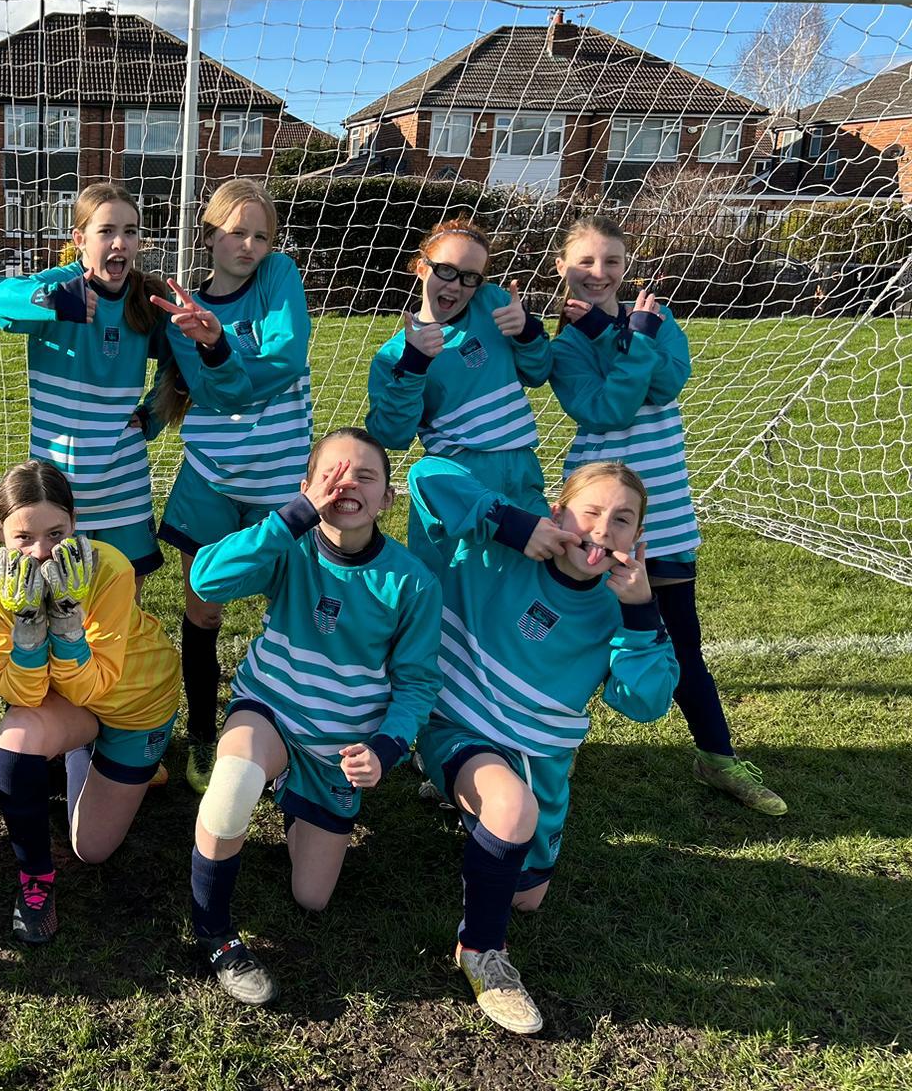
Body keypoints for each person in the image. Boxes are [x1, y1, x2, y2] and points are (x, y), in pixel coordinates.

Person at [408, 454, 679, 1034]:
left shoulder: (622, 608)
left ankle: (478, 810)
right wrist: (512, 523)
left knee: (527, 896)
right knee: (511, 810)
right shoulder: (497, 547)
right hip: (454, 725)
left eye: (624, 520)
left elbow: (646, 703)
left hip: (540, 758)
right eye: (591, 512)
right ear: (558, 513)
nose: (604, 529)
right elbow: (426, 475)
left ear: (639, 536)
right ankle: (481, 952)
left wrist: (640, 610)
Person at [186, 428, 442, 1004]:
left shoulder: (413, 581)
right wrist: (289, 520)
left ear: (387, 500)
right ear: (306, 489)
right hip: (270, 710)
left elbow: (418, 683)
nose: (347, 484)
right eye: (331, 474)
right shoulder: (289, 546)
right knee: (230, 789)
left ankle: (292, 793)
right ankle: (214, 932)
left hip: (338, 747)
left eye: (366, 477)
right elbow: (205, 578)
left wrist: (386, 749)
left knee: (312, 897)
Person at [550, 217, 785, 815]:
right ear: (562, 268)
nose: (598, 274)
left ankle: (718, 757)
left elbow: (667, 384)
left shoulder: (658, 318)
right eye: (585, 263)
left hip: (666, 519)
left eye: (612, 263)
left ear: (627, 268)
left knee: (680, 645)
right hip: (592, 517)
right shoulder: (566, 345)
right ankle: (552, 744)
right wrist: (614, 332)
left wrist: (631, 332)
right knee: (571, 638)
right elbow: (607, 408)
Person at [0, 461, 181, 945]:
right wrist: (26, 630)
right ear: (0, 531)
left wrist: (65, 625)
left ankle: (119, 758)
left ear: (74, 521)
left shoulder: (112, 568)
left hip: (135, 704)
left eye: (56, 532)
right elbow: (19, 693)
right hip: (69, 696)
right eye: (23, 537)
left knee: (92, 849)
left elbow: (94, 687)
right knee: (15, 745)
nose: (42, 552)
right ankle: (36, 881)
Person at [147, 178, 314, 792]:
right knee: (203, 606)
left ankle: (295, 737)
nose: (249, 245)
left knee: (295, 608)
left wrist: (219, 346)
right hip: (211, 479)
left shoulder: (277, 277)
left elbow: (288, 359)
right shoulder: (182, 316)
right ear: (209, 232)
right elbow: (217, 395)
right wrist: (210, 350)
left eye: (261, 234)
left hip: (279, 481)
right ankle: (200, 732)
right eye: (237, 231)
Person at [0, 182, 168, 591]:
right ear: (80, 238)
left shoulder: (146, 297)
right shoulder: (61, 287)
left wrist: (153, 415)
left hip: (123, 480)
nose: (120, 241)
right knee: (58, 599)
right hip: (58, 483)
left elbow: (180, 367)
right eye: (106, 231)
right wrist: (52, 303)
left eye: (131, 231)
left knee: (121, 598)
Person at [364, 215, 551, 576]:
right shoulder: (394, 355)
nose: (457, 285)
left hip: (520, 467)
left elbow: (539, 371)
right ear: (421, 268)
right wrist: (415, 363)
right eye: (446, 270)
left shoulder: (492, 305)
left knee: (537, 572)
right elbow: (392, 434)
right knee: (453, 583)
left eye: (470, 277)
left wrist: (528, 331)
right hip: (459, 481)